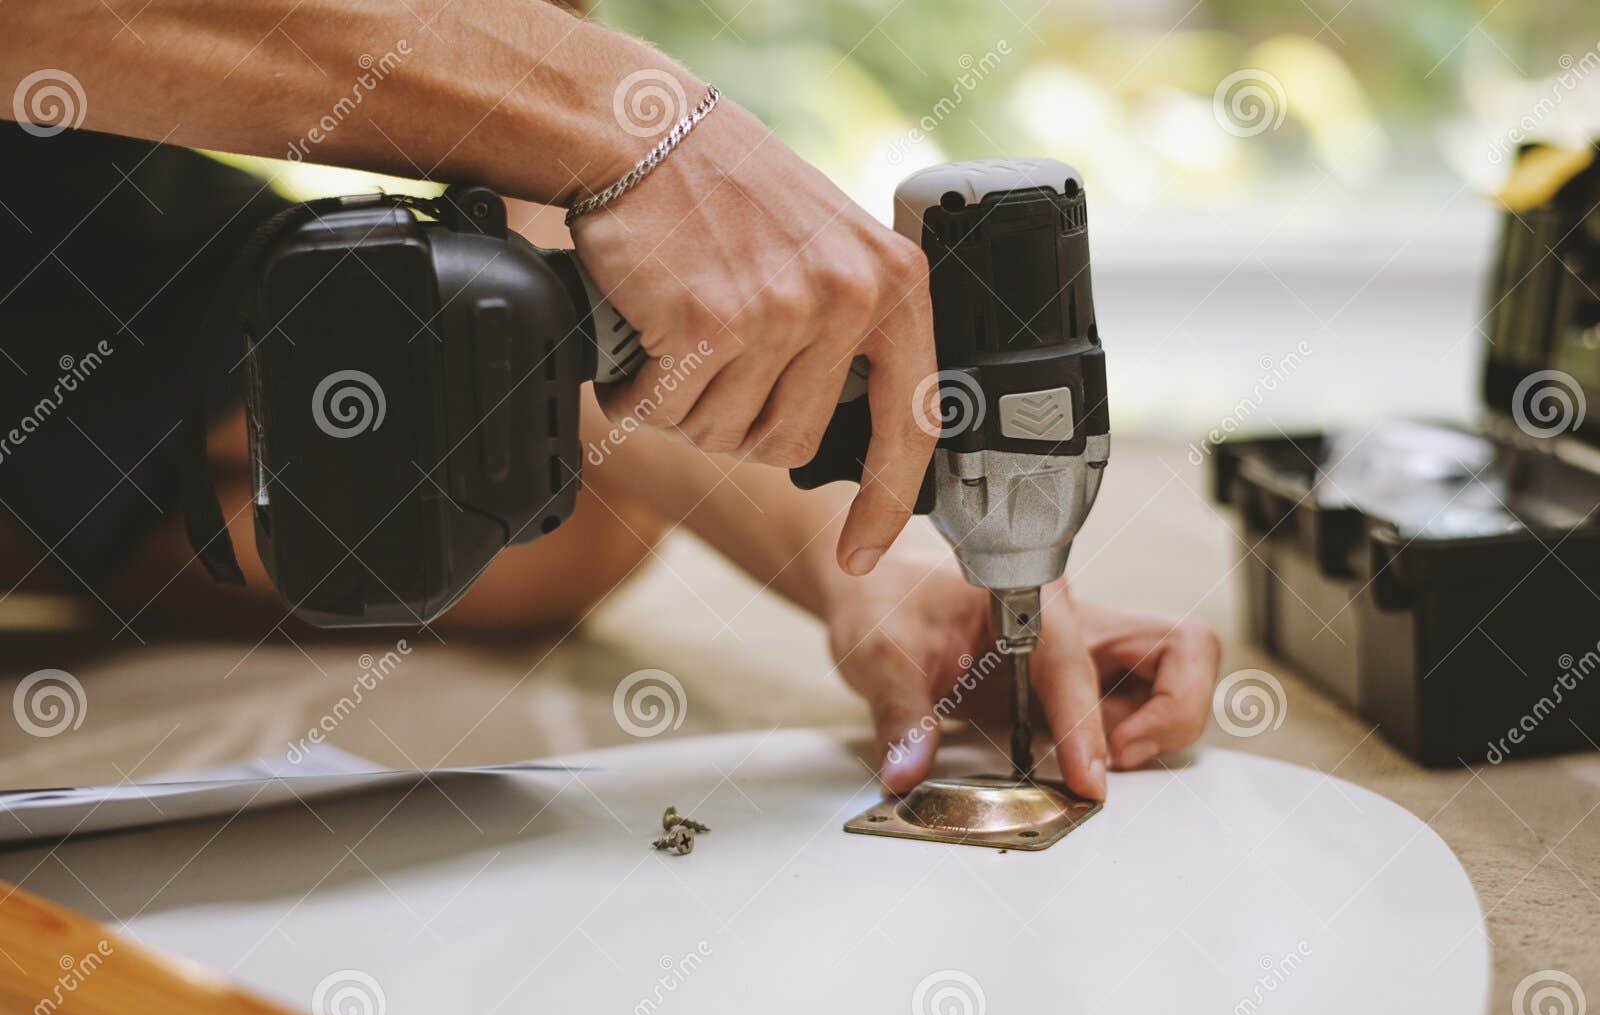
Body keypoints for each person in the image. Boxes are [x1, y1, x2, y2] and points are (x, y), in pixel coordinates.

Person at [0, 0, 1219, 799]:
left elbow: (526, 240)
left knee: (544, 533)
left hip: (69, 225)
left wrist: (870, 584)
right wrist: (632, 127)